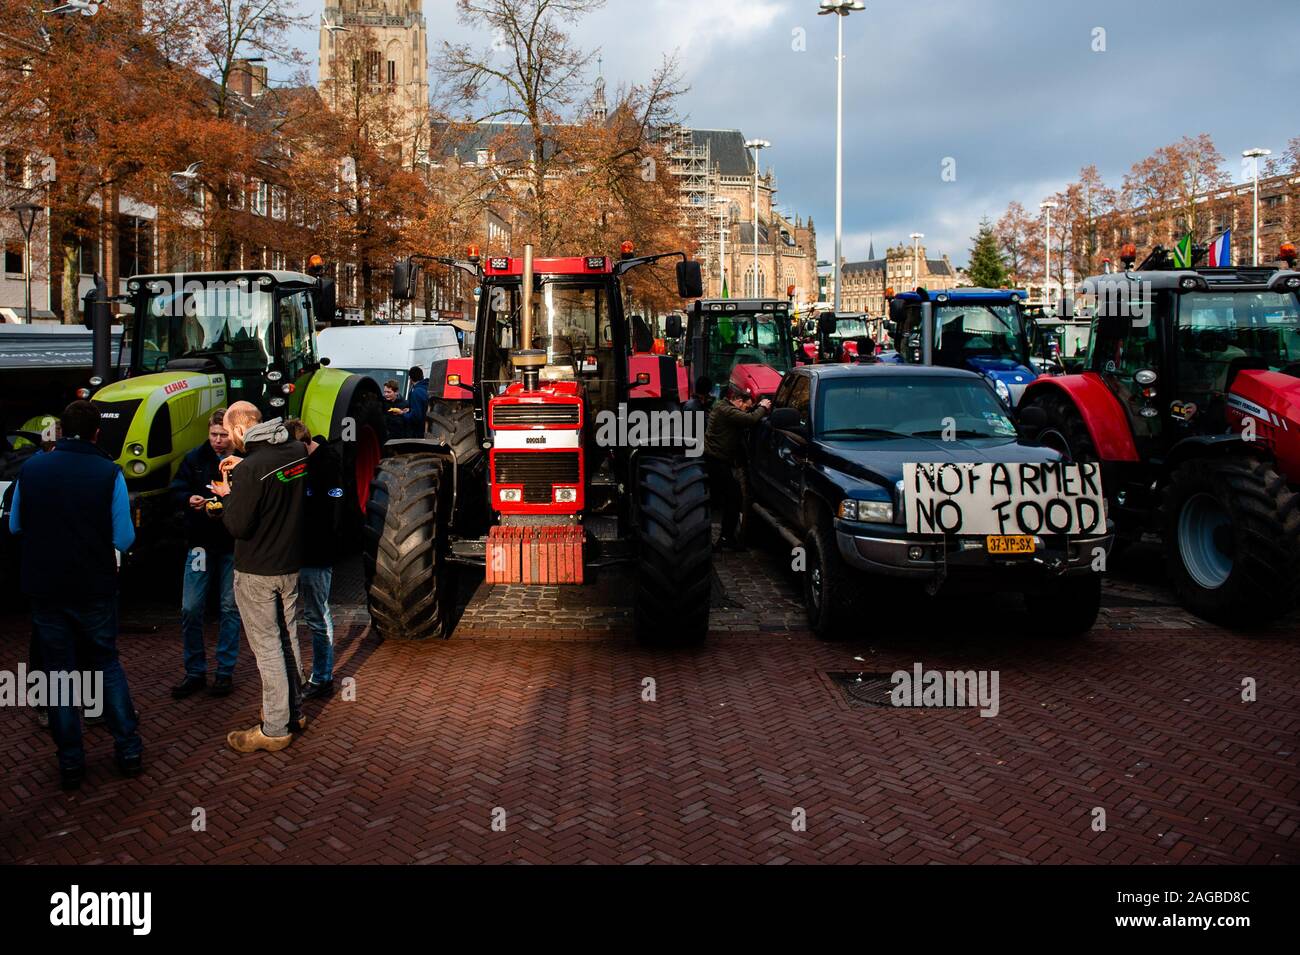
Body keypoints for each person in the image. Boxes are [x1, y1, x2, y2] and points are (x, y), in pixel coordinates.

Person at [9, 400, 143, 790]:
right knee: (106, 663)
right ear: (97, 432)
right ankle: (128, 749)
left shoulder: (32, 468)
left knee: (58, 674)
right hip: (93, 585)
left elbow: (16, 525)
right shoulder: (108, 473)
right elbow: (124, 537)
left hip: (46, 586)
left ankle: (70, 760)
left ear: (61, 432)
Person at [211, 401, 308, 753]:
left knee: (267, 649)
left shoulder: (251, 469)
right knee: (288, 638)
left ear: (239, 430)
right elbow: (275, 481)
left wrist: (227, 495)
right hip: (290, 563)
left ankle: (274, 727)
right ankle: (294, 711)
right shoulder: (295, 451)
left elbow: (239, 525)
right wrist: (246, 467)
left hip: (257, 569)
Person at [169, 408, 242, 700]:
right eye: (214, 435)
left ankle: (224, 672)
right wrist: (188, 498)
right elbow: (176, 489)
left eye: (223, 435)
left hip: (231, 545)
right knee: (190, 607)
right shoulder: (194, 459)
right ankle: (195, 671)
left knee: (229, 608)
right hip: (200, 543)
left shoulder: (242, 461)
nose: (218, 441)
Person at [285, 419, 345, 699]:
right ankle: (308, 675)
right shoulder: (301, 464)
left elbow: (330, 515)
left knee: (317, 614)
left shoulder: (327, 466)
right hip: (298, 552)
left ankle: (323, 677)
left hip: (316, 553)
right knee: (301, 615)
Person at [702, 386, 772, 550]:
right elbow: (750, 420)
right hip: (716, 461)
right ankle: (725, 538)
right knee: (733, 498)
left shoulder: (722, 406)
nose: (746, 411)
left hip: (717, 460)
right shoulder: (726, 410)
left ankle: (721, 537)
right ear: (739, 401)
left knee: (720, 499)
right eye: (746, 407)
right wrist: (762, 407)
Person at [389, 365, 427, 438]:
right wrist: (410, 410)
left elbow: (416, 417)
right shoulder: (427, 388)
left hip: (418, 434)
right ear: (422, 376)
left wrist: (402, 413)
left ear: (410, 379)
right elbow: (423, 409)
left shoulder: (416, 392)